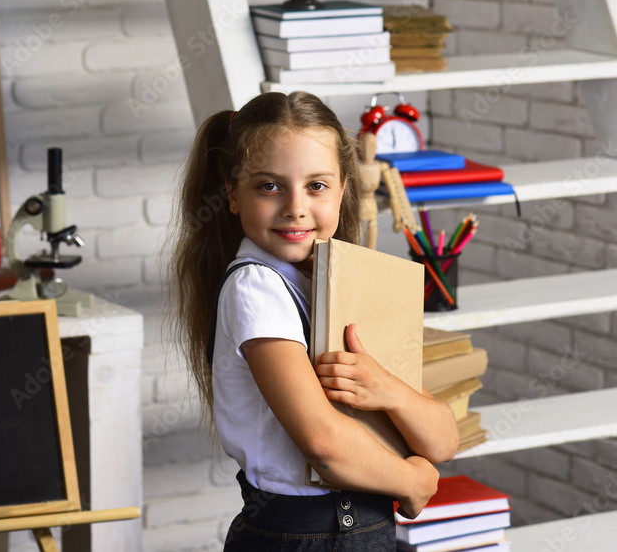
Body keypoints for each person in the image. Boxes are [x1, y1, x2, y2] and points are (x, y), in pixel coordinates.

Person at [169, 91, 458, 551]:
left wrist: (387, 388)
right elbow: (323, 444)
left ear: (344, 190)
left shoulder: (339, 282)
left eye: (316, 186)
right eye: (269, 186)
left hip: (361, 527)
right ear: (232, 195)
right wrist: (411, 479)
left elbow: (443, 440)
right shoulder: (255, 288)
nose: (295, 207)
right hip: (303, 534)